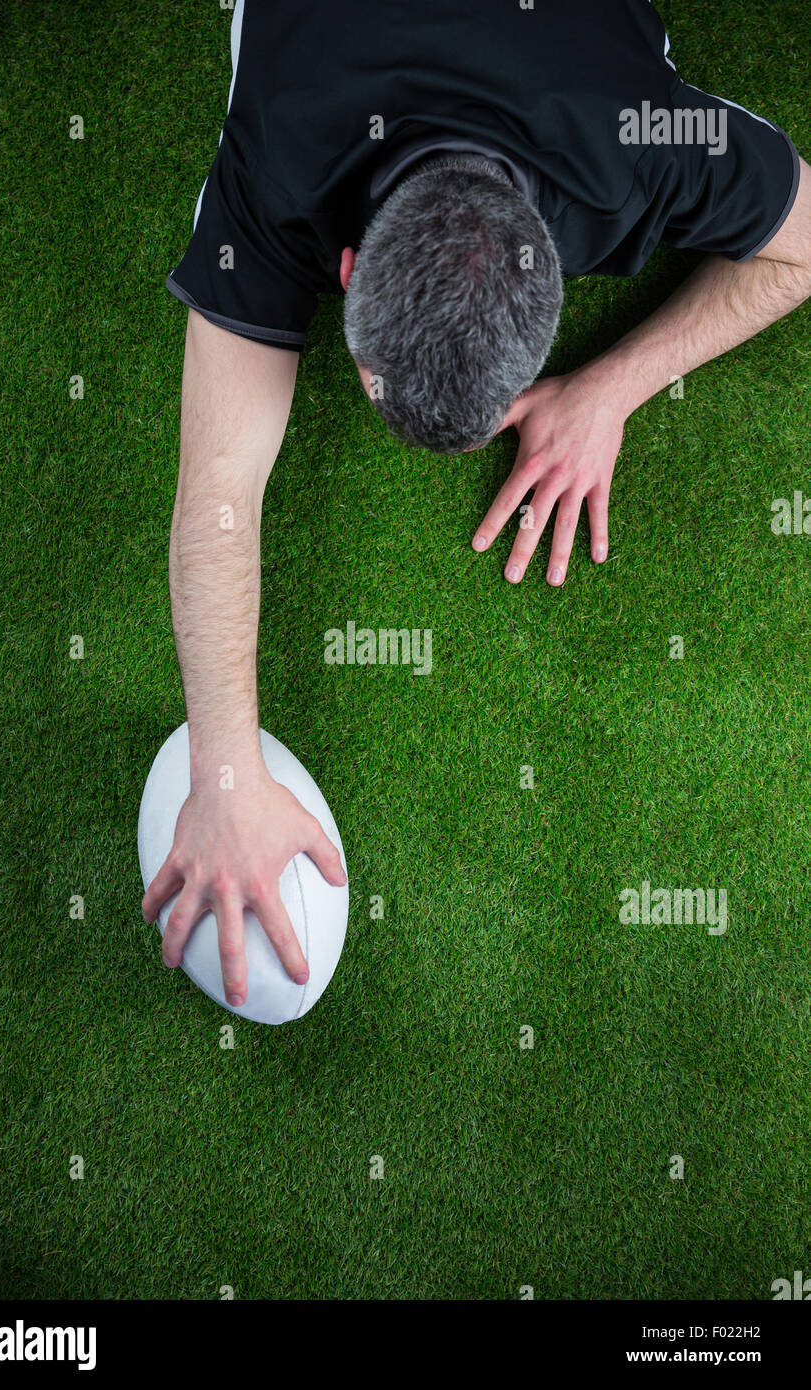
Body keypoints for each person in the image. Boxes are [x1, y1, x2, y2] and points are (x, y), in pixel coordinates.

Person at [143, 0, 810, 1006]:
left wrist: (610, 385)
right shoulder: (276, 146)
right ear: (351, 270)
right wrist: (222, 771)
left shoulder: (647, 134)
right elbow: (215, 496)